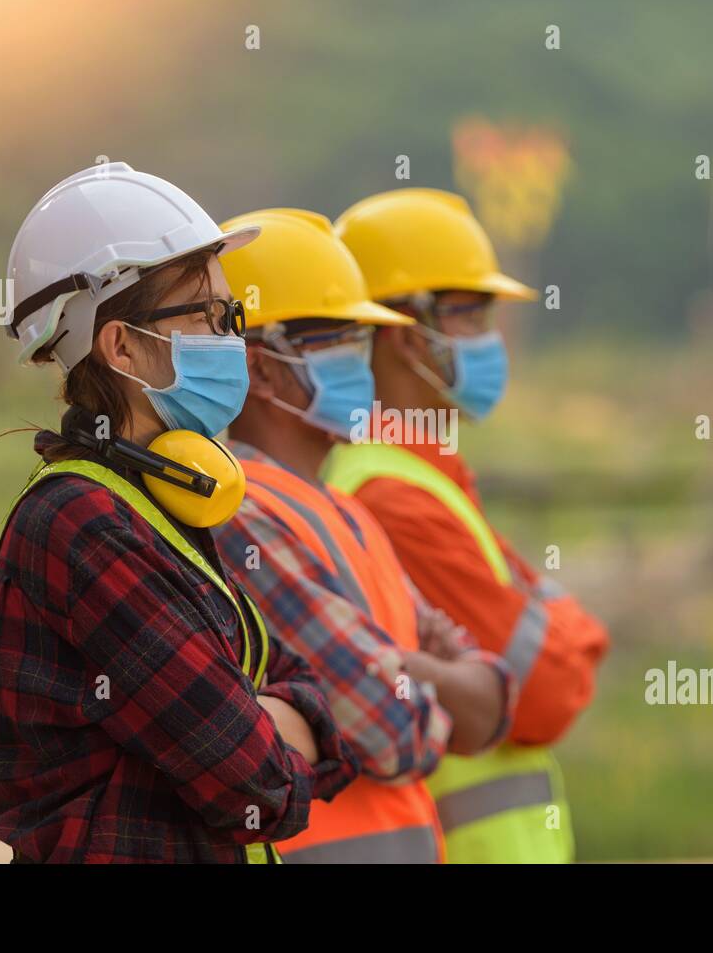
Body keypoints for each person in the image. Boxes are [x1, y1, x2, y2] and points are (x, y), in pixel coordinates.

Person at [0, 164, 356, 863]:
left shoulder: (157, 504)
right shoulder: (85, 525)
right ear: (121, 344)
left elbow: (313, 697)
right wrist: (271, 719)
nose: (230, 337)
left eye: (233, 316)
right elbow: (262, 786)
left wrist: (272, 716)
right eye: (209, 316)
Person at [210, 208, 516, 862]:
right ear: (261, 371)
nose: (363, 363)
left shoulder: (345, 511)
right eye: (338, 340)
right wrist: (428, 673)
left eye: (360, 337)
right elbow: (392, 728)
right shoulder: (241, 512)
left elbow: (492, 705)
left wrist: (410, 669)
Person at [328, 188, 610, 863]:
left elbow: (565, 654)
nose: (493, 339)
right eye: (473, 314)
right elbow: (548, 692)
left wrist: (560, 633)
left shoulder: (428, 475)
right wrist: (561, 619)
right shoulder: (391, 496)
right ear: (404, 332)